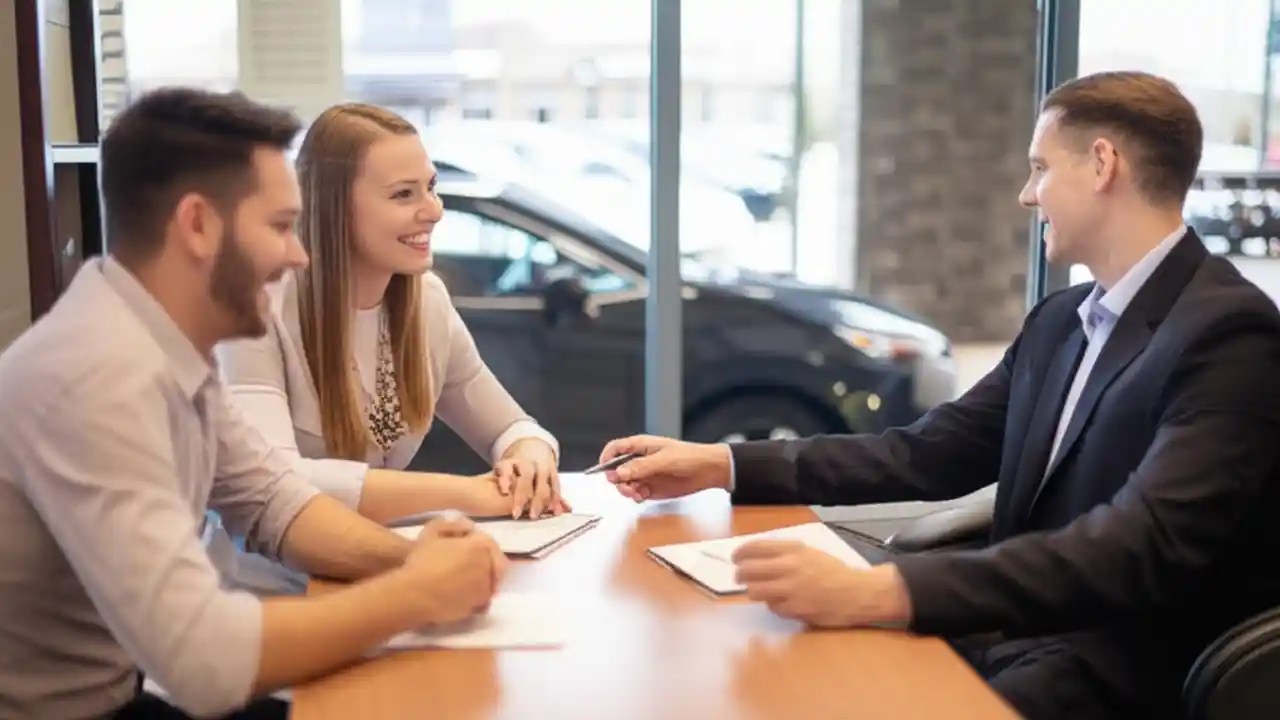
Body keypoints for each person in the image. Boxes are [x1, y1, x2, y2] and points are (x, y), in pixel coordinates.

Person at [595, 71, 1280, 719]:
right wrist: (724, 464)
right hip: (1020, 627)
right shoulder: (1060, 321)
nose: (1027, 194)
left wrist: (882, 590)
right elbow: (930, 453)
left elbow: (1140, 543)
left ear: (1103, 165)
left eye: (1041, 168)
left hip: (1124, 662)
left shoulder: (1228, 333)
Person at [0, 88, 507, 720]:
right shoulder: (93, 377)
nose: (298, 253)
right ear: (198, 226)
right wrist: (415, 591)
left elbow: (274, 504)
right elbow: (205, 663)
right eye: (278, 227)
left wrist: (418, 559)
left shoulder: (165, 348)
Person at [211, 103, 565, 592]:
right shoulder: (256, 309)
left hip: (374, 578)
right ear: (335, 208)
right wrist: (469, 494)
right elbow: (275, 482)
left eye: (431, 187)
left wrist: (529, 458)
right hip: (263, 598)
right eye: (404, 194)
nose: (434, 210)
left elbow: (511, 425)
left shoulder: (427, 301)